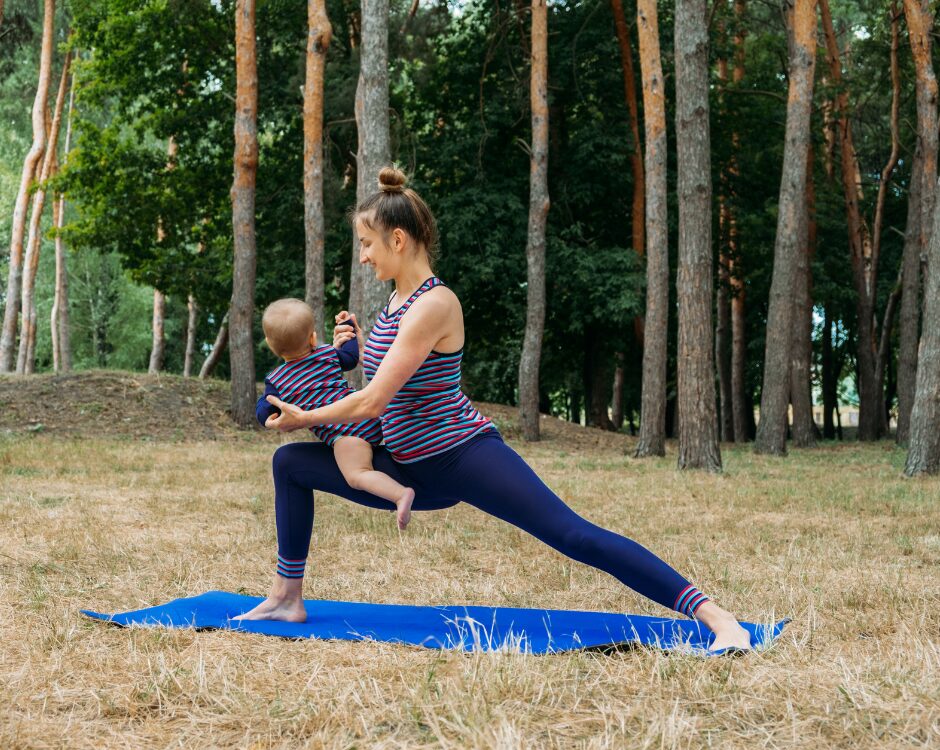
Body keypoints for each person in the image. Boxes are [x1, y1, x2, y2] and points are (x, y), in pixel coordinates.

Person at [235, 167, 752, 653]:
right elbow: (375, 381)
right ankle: (287, 598)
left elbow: (374, 399)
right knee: (290, 465)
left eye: (367, 244)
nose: (364, 257)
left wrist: (304, 419)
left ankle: (715, 617)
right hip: (407, 465)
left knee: (572, 534)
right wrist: (347, 346)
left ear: (398, 239)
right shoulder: (393, 303)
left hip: (464, 456)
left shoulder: (435, 304)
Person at [256, 298, 415, 543]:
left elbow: (265, 408)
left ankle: (400, 494)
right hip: (366, 413)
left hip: (348, 434)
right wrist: (348, 326)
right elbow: (350, 358)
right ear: (312, 338)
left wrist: (265, 417)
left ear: (270, 345)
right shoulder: (326, 354)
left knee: (357, 474)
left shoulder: (277, 381)